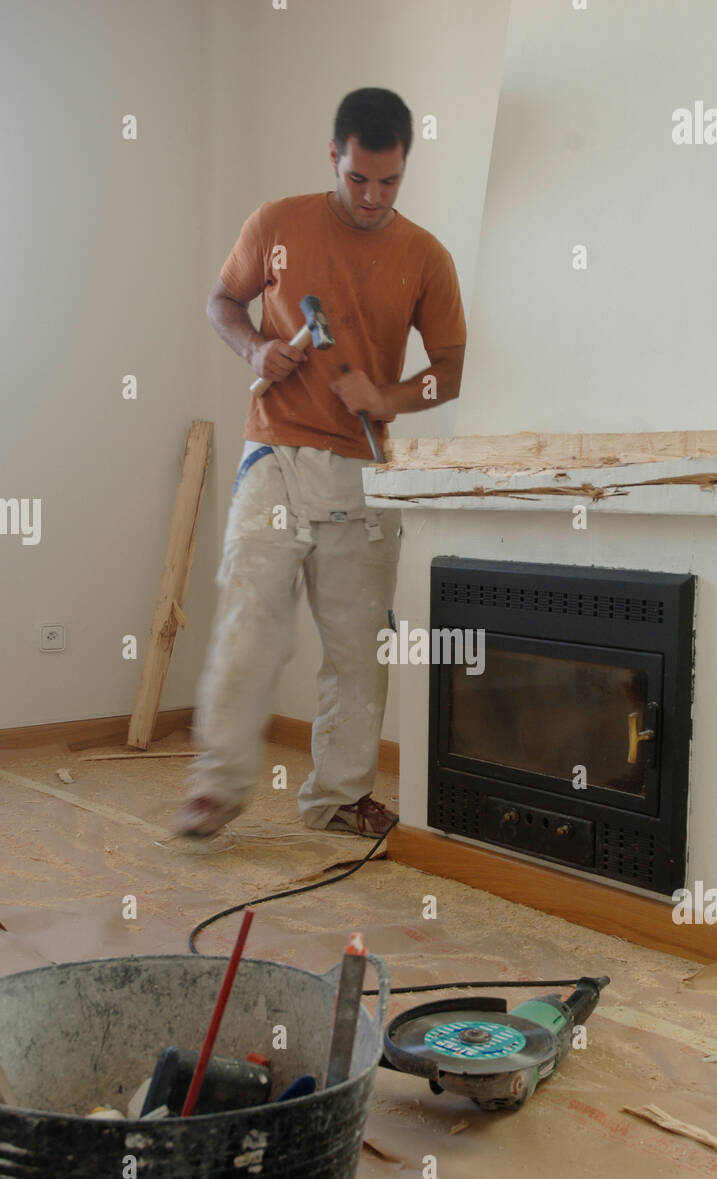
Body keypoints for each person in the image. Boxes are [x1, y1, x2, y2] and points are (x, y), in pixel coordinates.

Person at [177, 88, 466, 839]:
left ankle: (337, 799)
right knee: (251, 619)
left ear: (404, 168)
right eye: (357, 178)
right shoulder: (275, 223)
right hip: (274, 447)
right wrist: (254, 347)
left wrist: (391, 395)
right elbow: (220, 300)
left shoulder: (425, 256)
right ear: (334, 157)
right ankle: (216, 788)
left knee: (358, 647)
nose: (371, 197)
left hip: (361, 469)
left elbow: (449, 372)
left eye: (389, 182)